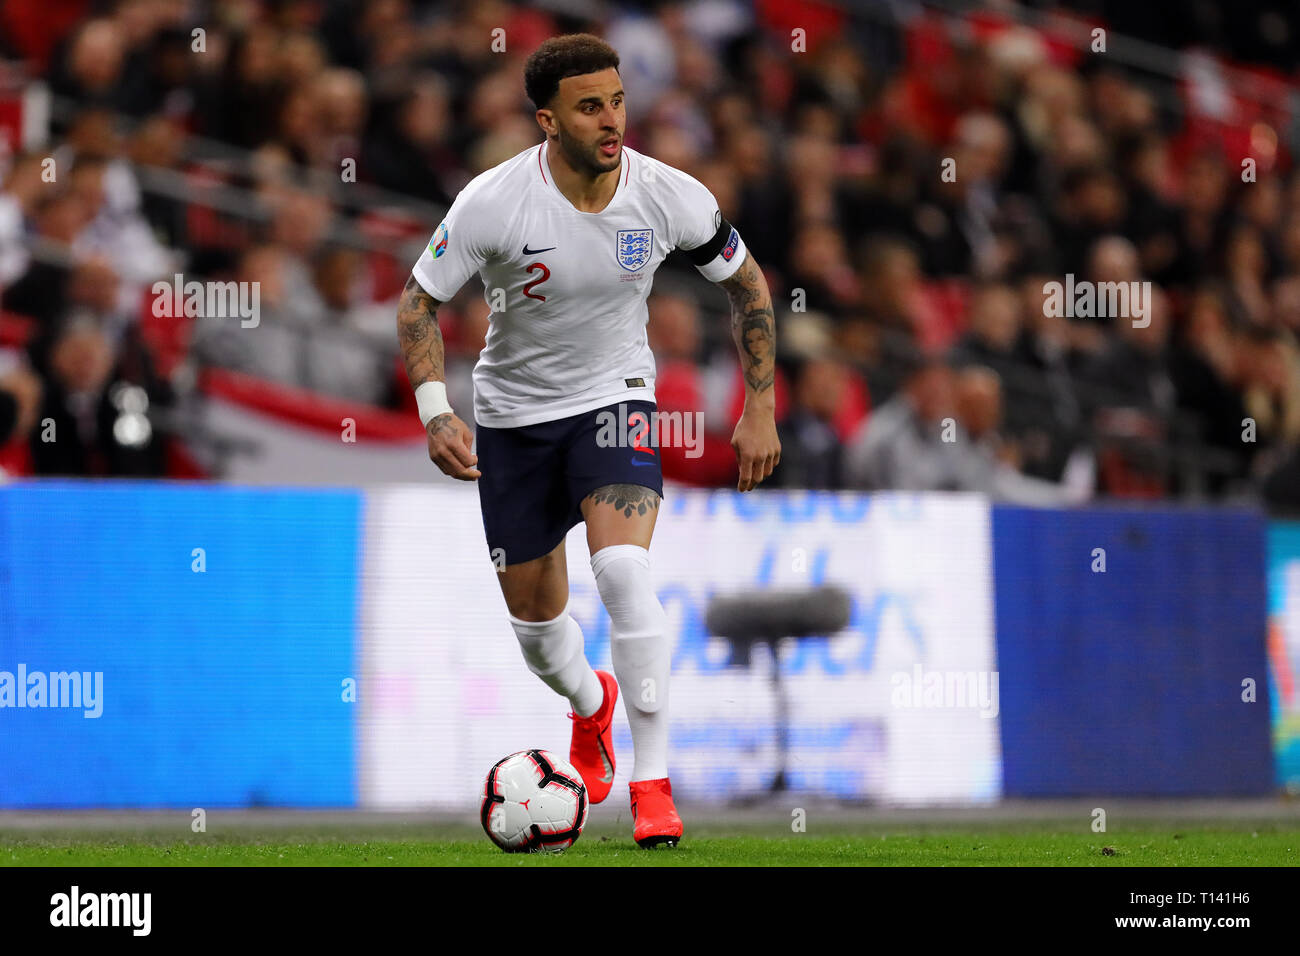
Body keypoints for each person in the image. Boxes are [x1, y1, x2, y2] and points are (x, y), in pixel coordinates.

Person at [394, 34, 780, 849]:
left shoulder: (668, 194)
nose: (612, 122)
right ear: (547, 120)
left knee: (624, 571)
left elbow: (747, 283)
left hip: (617, 399)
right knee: (539, 633)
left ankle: (653, 784)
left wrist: (760, 402)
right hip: (512, 420)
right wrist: (436, 409)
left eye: (617, 102)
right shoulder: (493, 203)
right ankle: (592, 703)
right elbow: (417, 304)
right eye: (589, 107)